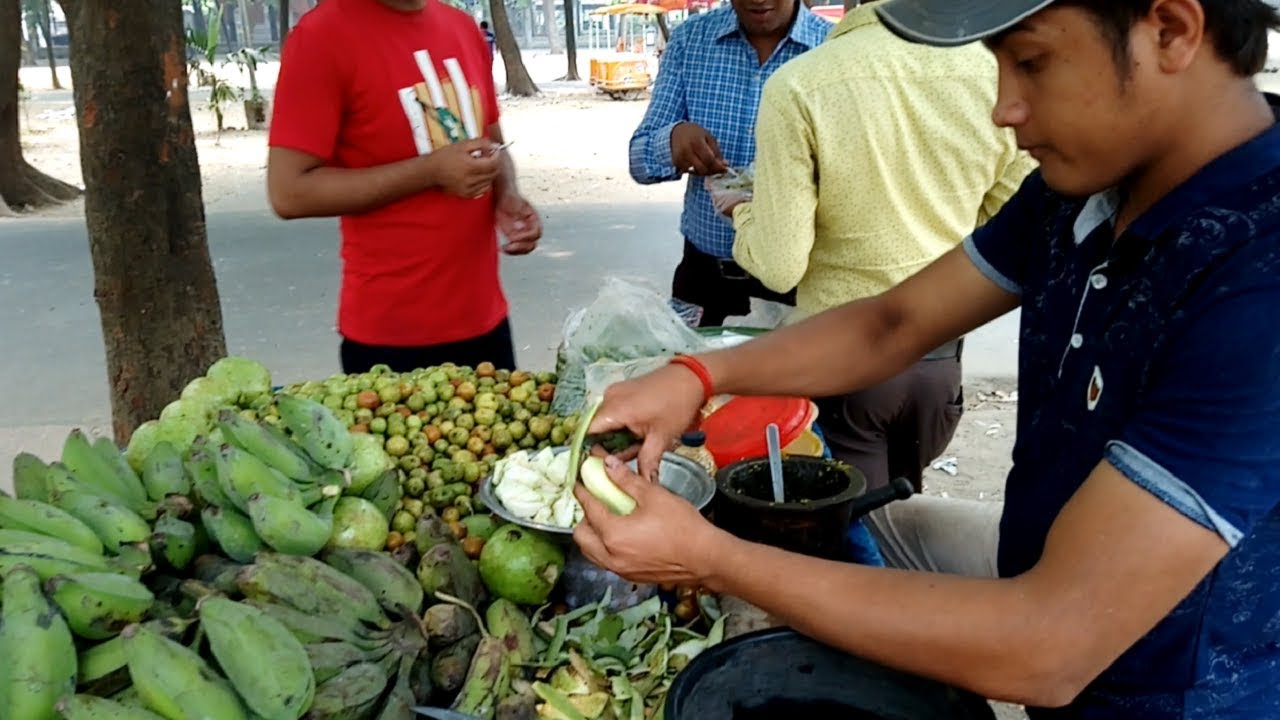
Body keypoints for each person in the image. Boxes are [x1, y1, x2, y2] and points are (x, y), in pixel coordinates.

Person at [575, 0, 1280, 717]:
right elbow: (893, 322)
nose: (1004, 108)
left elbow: (1051, 643)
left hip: (1159, 692)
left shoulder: (1255, 282)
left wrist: (710, 558)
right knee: (849, 532)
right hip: (1034, 571)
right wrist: (696, 374)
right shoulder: (1083, 190)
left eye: (1032, 62)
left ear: (1171, 31)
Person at [718, 0, 1036, 494]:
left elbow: (780, 265)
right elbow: (1013, 219)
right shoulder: (993, 73)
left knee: (863, 535)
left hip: (845, 365)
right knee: (902, 515)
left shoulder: (802, 85)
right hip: (938, 362)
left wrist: (742, 212)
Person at [267, 0, 543, 374]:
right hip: (389, 341)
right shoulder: (321, 37)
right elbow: (289, 192)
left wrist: (505, 193)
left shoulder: (462, 28)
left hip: (486, 324)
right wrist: (430, 172)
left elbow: (489, 135)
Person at [627, 0, 832, 327]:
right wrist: (673, 141)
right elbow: (639, 158)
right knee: (690, 375)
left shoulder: (831, 51)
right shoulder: (690, 41)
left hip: (802, 286)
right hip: (705, 280)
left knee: (789, 379)